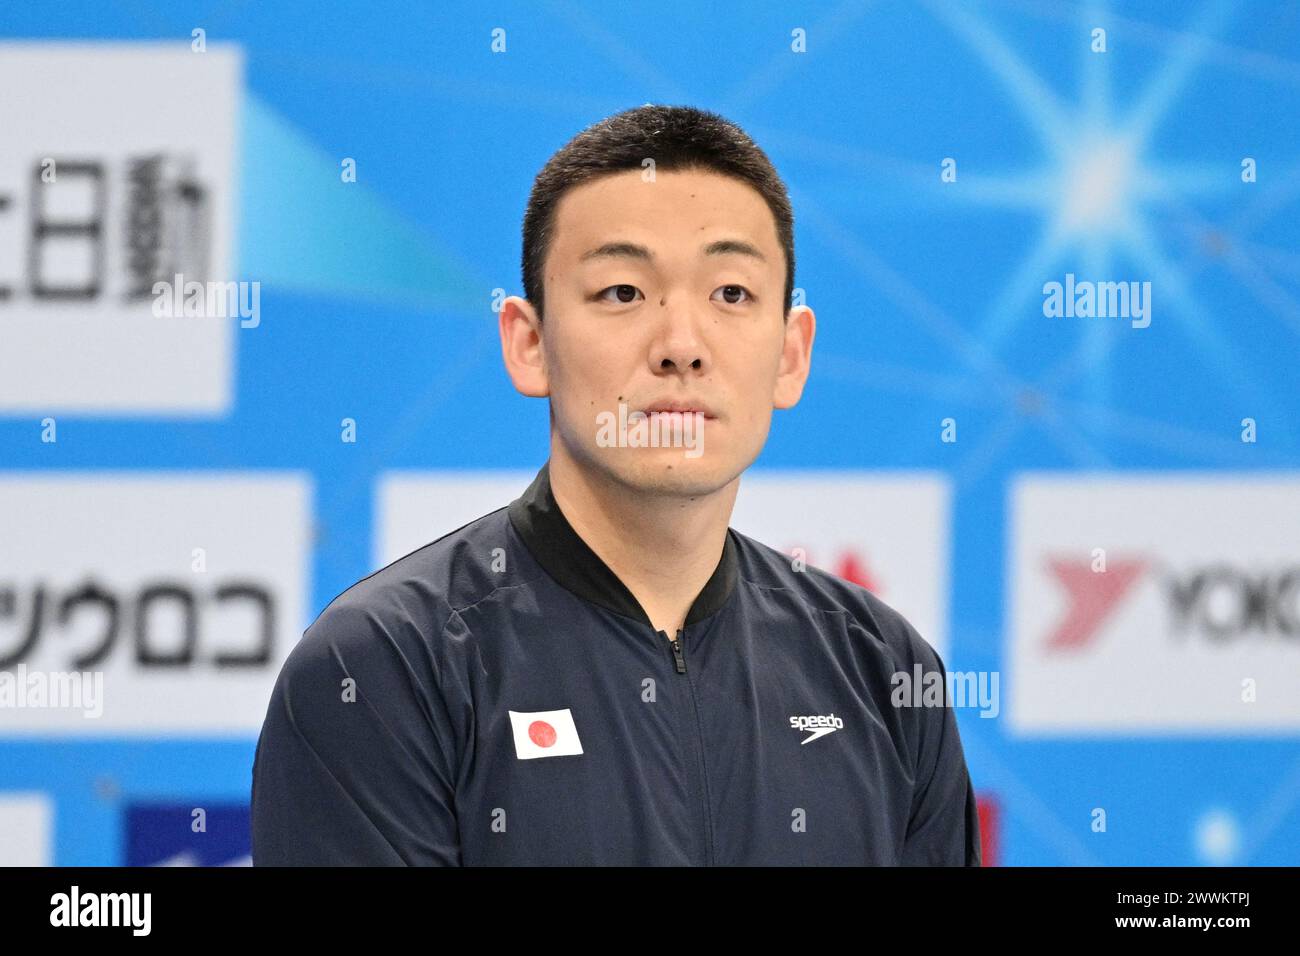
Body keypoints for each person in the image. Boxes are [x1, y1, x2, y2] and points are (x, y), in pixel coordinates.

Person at [251, 104, 981, 865]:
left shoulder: (884, 671)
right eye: (623, 292)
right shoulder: (385, 666)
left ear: (792, 355)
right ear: (529, 343)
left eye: (731, 293)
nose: (681, 347)